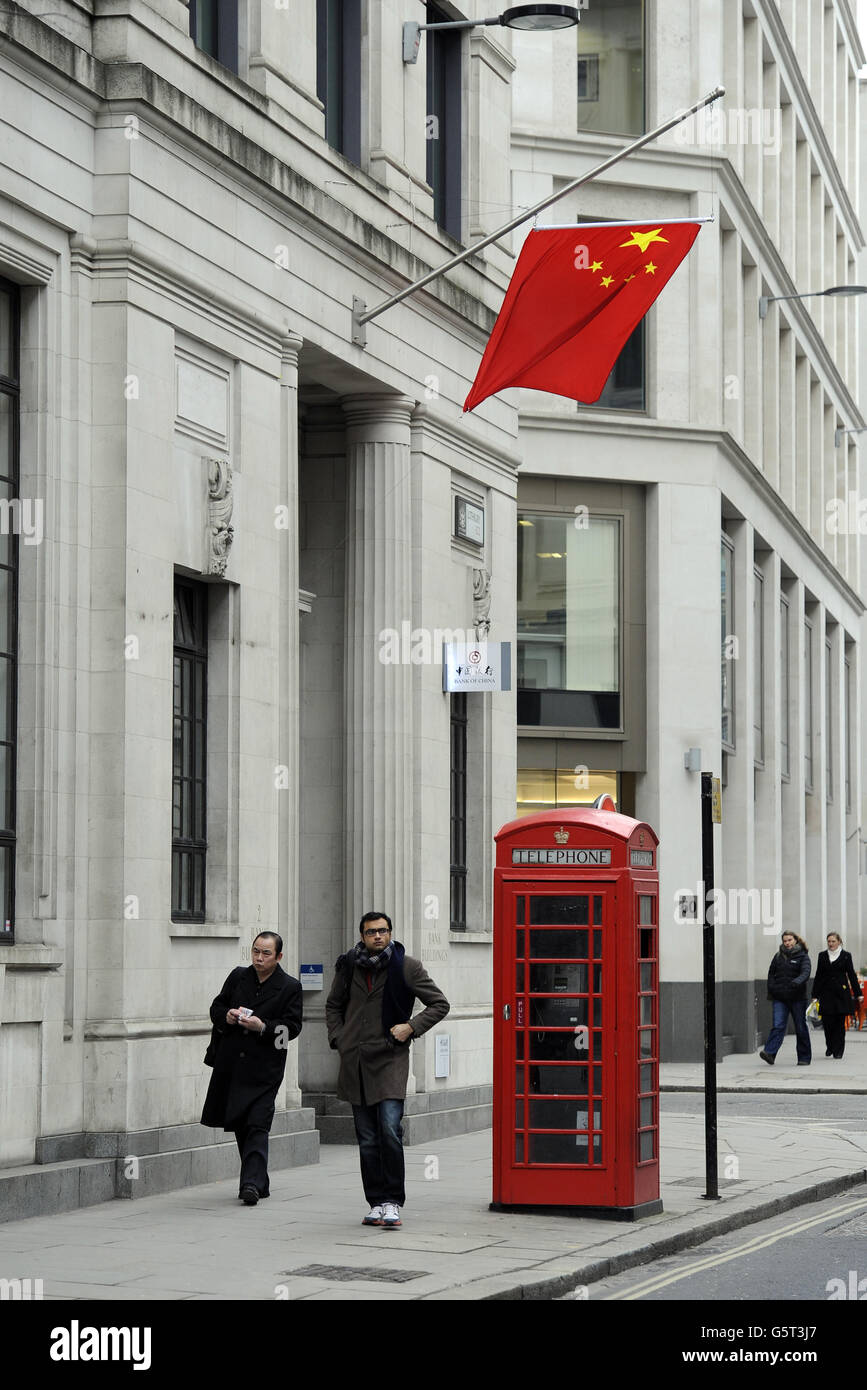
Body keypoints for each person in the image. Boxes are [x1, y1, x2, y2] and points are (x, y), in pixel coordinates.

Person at [325, 910, 449, 1229]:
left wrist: (410, 1026)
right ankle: (376, 1202)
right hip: (355, 1061)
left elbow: (439, 1004)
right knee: (367, 1137)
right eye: (371, 932)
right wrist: (339, 1037)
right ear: (362, 936)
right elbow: (333, 1005)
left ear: (390, 933)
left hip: (390, 1057)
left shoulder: (407, 966)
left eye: (382, 931)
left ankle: (393, 1201)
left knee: (390, 1129)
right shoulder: (348, 965)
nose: (377, 936)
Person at [201, 932, 303, 1205]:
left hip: (265, 1070)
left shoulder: (290, 987)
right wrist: (227, 1016)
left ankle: (250, 1184)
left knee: (257, 1123)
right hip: (232, 1065)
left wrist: (263, 1027)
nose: (259, 958)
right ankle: (259, 1180)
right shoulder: (238, 977)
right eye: (255, 951)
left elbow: (291, 1029)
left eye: (266, 953)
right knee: (240, 1123)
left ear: (279, 956)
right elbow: (217, 1006)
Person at [759, 931, 811, 1066]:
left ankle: (804, 1057)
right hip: (780, 998)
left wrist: (796, 982)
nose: (787, 943)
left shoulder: (803, 956)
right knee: (778, 1025)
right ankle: (769, 1053)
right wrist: (772, 988)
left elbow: (806, 972)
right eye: (785, 940)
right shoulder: (778, 957)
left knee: (800, 1027)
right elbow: (771, 973)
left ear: (795, 940)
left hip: (797, 998)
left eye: (789, 940)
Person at [811, 932, 861, 1059]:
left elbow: (851, 975)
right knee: (827, 1023)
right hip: (826, 993)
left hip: (841, 994)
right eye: (829, 941)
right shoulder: (822, 956)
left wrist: (858, 993)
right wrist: (815, 994)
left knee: (839, 1023)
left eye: (833, 941)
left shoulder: (845, 956)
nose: (831, 944)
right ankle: (830, 1045)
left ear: (839, 942)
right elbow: (819, 976)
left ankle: (838, 1050)